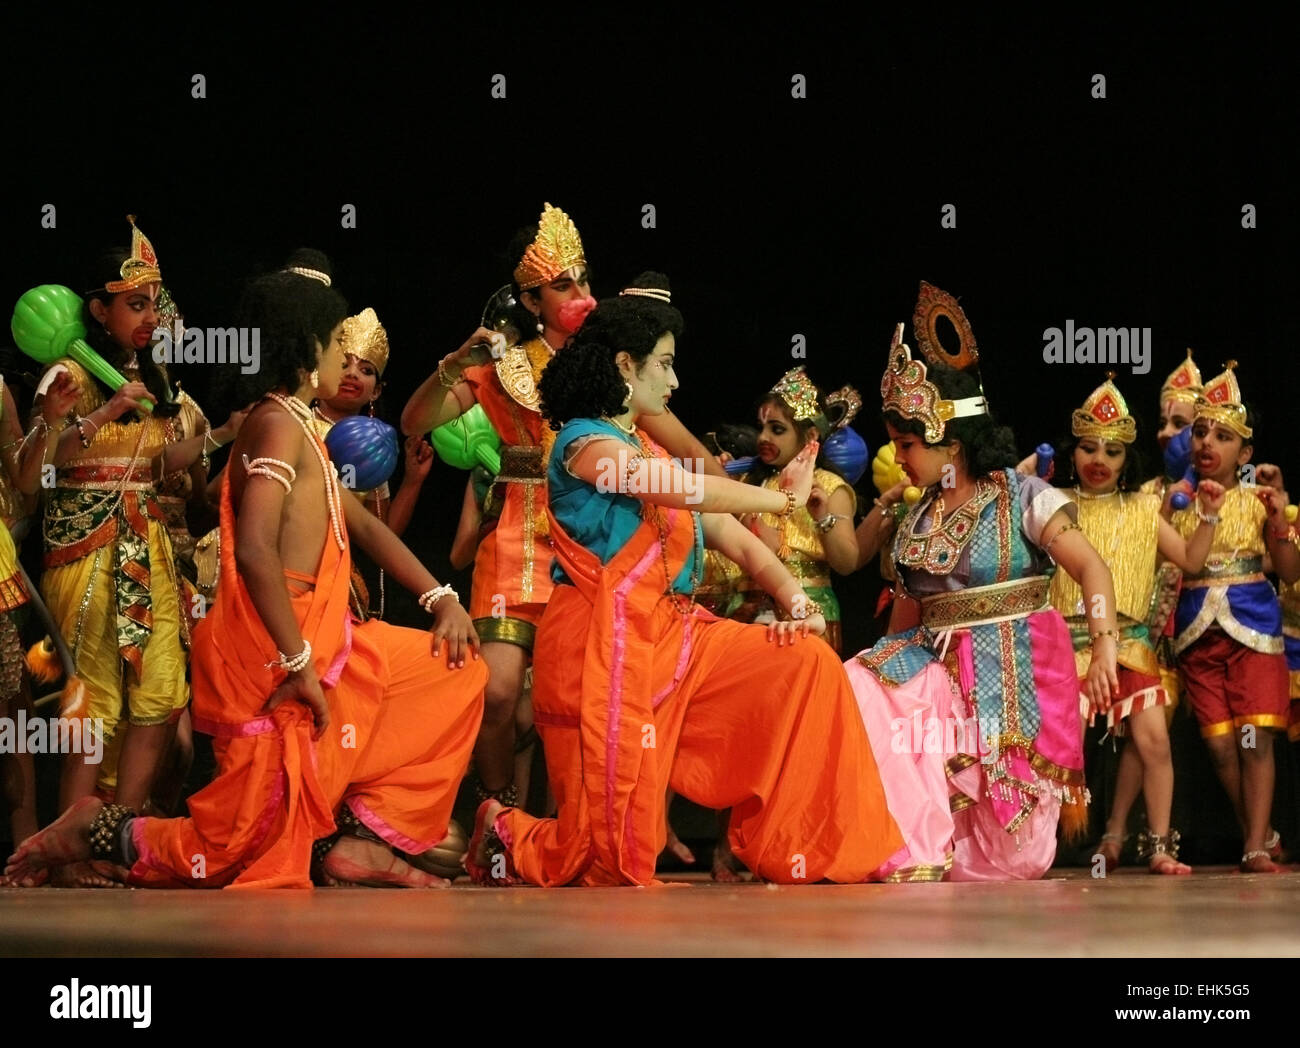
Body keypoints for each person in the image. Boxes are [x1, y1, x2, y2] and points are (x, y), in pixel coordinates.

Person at [4, 267, 487, 890]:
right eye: (338, 338)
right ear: (308, 343)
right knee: (235, 845)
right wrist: (297, 661)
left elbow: (358, 526)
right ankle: (96, 831)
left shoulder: (302, 423)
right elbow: (256, 548)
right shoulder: (276, 424)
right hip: (273, 647)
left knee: (453, 671)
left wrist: (441, 596)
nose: (347, 354)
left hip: (327, 638)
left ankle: (364, 844)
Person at [464, 275, 903, 887]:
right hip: (603, 652)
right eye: (665, 366)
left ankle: (809, 852)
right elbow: (683, 489)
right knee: (609, 857)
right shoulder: (582, 444)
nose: (675, 382)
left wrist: (797, 600)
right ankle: (500, 824)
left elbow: (735, 539)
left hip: (677, 640)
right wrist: (780, 501)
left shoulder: (648, 449)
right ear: (626, 365)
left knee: (808, 663)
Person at [401, 204, 724, 814]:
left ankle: (565, 822)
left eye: (583, 280)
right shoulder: (500, 368)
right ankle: (495, 811)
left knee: (572, 697)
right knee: (497, 692)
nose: (581, 294)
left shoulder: (611, 373)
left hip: (591, 543)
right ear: (529, 301)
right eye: (562, 284)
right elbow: (414, 422)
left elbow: (689, 451)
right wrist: (451, 366)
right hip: (517, 538)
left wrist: (726, 512)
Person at [844, 283, 1119, 881]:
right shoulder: (917, 515)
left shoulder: (1023, 497)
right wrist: (872, 671)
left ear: (954, 441)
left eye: (909, 445)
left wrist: (1104, 645)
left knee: (1016, 860)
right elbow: (909, 614)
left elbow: (1092, 568)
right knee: (858, 682)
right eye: (896, 445)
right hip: (938, 680)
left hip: (1016, 674)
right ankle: (910, 842)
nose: (902, 459)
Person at [13, 220, 209, 886]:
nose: (150, 316)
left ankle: (115, 840)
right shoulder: (67, 373)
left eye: (154, 302)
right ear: (98, 309)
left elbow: (155, 467)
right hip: (86, 554)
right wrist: (88, 416)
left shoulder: (150, 373)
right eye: (135, 302)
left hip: (147, 544)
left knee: (161, 694)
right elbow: (28, 476)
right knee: (91, 702)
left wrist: (222, 437)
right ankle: (68, 851)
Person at [1048, 374, 1224, 874]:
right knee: (1054, 746)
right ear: (1073, 450)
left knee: (1154, 744)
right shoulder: (1049, 503)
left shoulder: (1146, 509)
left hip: (1129, 642)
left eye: (1113, 451)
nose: (1099, 460)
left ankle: (1160, 846)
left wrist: (1209, 516)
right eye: (1088, 448)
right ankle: (1036, 843)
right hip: (1063, 643)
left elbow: (1190, 561)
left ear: (1129, 460)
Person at [1167, 362, 1299, 872]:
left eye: (1222, 436)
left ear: (1244, 454)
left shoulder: (1259, 500)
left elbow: (1288, 573)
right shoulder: (1176, 502)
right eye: (1200, 432)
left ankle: (1254, 847)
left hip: (1255, 633)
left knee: (1255, 740)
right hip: (1199, 634)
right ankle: (1260, 832)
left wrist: (1278, 519)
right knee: (1222, 749)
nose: (1206, 443)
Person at [311, 306, 434, 619]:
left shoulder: (372, 447)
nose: (353, 374)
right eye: (344, 363)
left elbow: (383, 531)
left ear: (376, 391)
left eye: (366, 370)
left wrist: (412, 480)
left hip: (337, 572)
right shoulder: (299, 423)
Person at [736, 367, 862, 653]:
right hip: (747, 613)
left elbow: (847, 563)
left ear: (810, 435)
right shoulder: (751, 483)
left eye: (777, 429)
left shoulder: (830, 486)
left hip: (809, 615)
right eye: (762, 427)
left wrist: (823, 518)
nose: (763, 437)